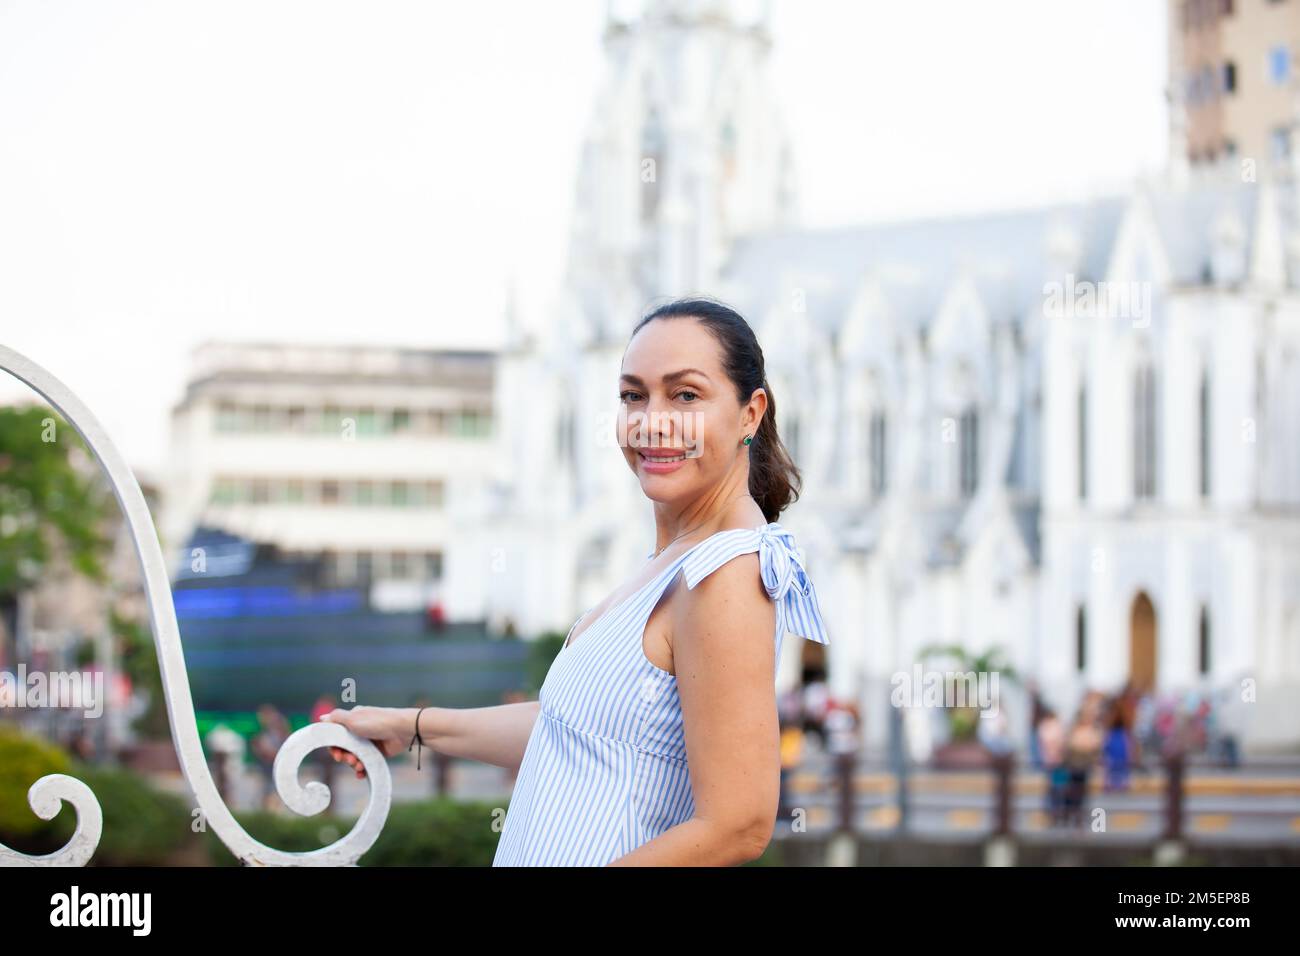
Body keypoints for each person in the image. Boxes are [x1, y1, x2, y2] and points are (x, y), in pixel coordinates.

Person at [321, 297, 832, 866]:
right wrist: (411, 727)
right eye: (633, 396)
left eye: (685, 395)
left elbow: (739, 825)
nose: (651, 420)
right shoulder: (679, 556)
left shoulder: (726, 570)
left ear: (750, 414)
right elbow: (575, 731)